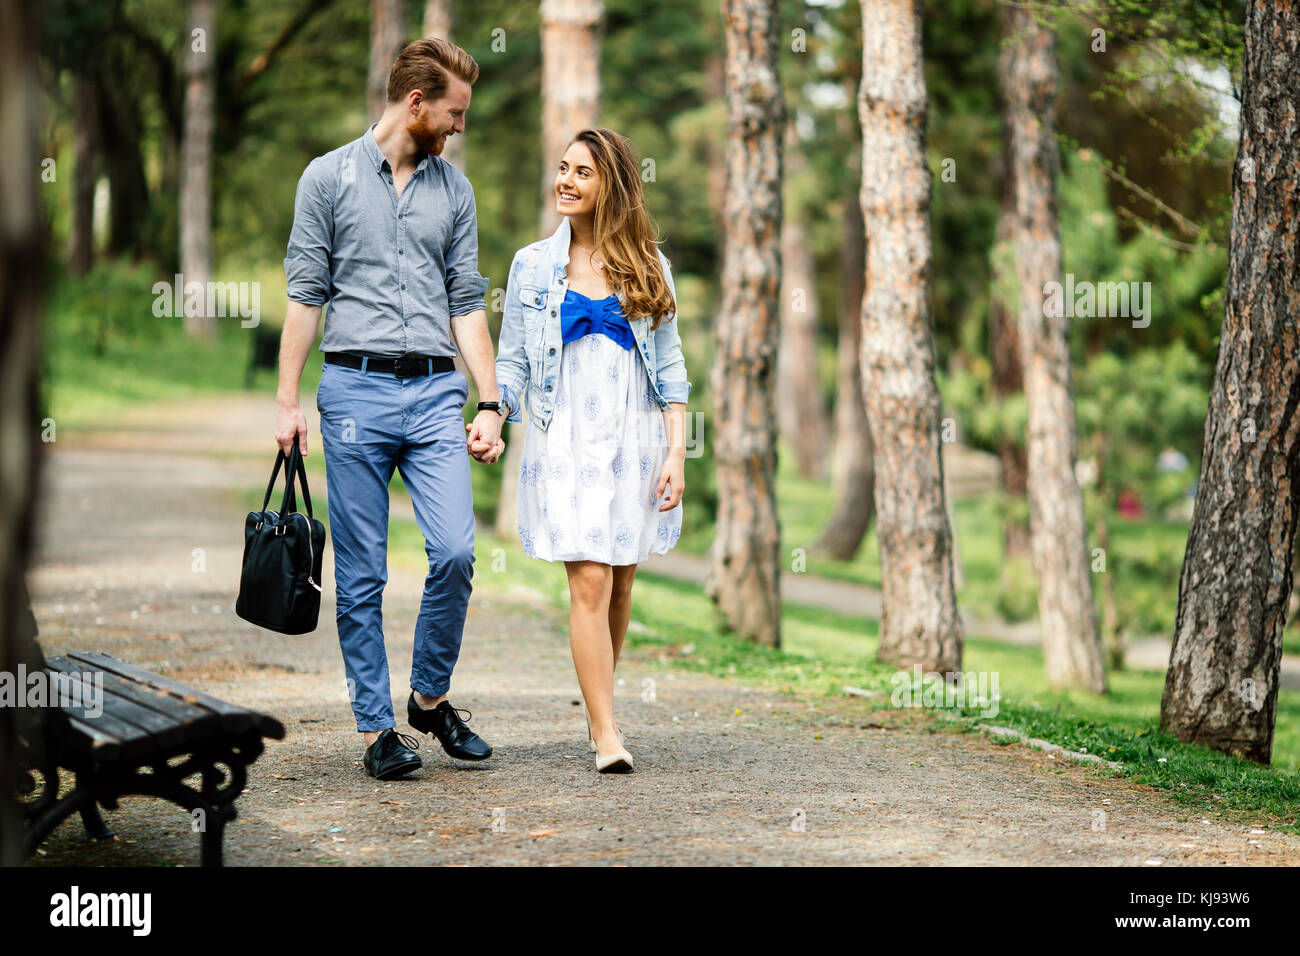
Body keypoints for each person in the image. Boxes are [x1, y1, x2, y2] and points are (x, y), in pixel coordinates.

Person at [276, 38, 508, 781]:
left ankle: (429, 700)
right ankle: (378, 729)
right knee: (364, 575)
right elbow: (306, 294)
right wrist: (287, 402)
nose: (459, 126)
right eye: (454, 112)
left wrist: (491, 400)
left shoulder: (454, 191)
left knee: (456, 553)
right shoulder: (327, 178)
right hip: (353, 393)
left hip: (436, 393)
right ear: (417, 103)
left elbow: (466, 302)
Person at [495, 128, 691, 773]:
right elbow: (514, 361)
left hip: (632, 438)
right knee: (589, 579)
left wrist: (675, 453)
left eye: (582, 172)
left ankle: (596, 706)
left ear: (613, 185)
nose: (566, 181)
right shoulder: (530, 265)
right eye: (562, 168)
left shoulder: (649, 266)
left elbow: (671, 369)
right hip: (564, 437)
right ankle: (607, 733)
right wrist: (495, 416)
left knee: (622, 581)